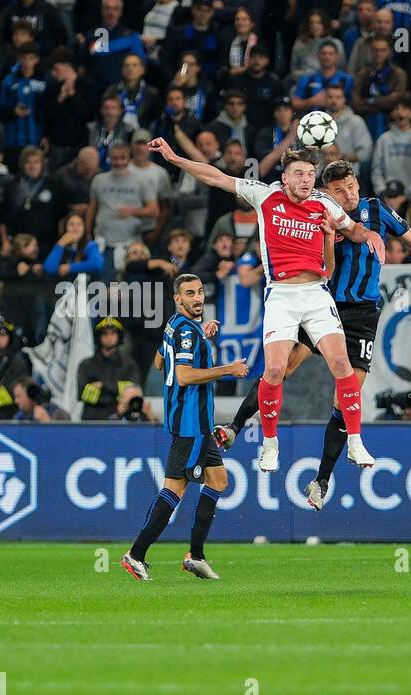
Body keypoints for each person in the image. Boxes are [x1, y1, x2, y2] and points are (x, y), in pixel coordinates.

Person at [213, 160, 411, 510]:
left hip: (361, 315)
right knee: (281, 368)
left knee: (346, 396)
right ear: (328, 192)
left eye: (352, 187)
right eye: (340, 190)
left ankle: (321, 479)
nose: (349, 195)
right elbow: (297, 251)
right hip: (323, 305)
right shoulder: (319, 212)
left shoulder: (376, 210)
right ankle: (236, 426)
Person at [146, 137, 383, 475]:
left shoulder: (324, 204)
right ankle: (270, 444)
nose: (306, 180)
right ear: (284, 178)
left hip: (317, 294)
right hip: (282, 296)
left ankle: (356, 440)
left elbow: (355, 230)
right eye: (299, 173)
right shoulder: (265, 195)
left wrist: (370, 235)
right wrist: (174, 158)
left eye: (310, 174)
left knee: (342, 366)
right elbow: (215, 177)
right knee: (273, 371)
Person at [121, 275, 249, 582]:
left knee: (218, 480)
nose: (198, 298)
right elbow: (184, 376)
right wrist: (228, 370)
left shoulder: (175, 327)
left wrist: (203, 336)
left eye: (200, 292)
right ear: (177, 299)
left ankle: (196, 556)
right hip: (190, 423)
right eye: (190, 293)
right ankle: (136, 554)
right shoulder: (187, 332)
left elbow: (157, 362)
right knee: (174, 489)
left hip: (198, 423)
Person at [77, 317, 143, 422]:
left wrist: (103, 385)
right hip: (91, 420)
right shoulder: (86, 365)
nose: (109, 337)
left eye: (113, 333)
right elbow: (84, 394)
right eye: (105, 334)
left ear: (119, 336)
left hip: (119, 418)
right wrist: (117, 391)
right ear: (98, 337)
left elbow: (132, 393)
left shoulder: (129, 365)